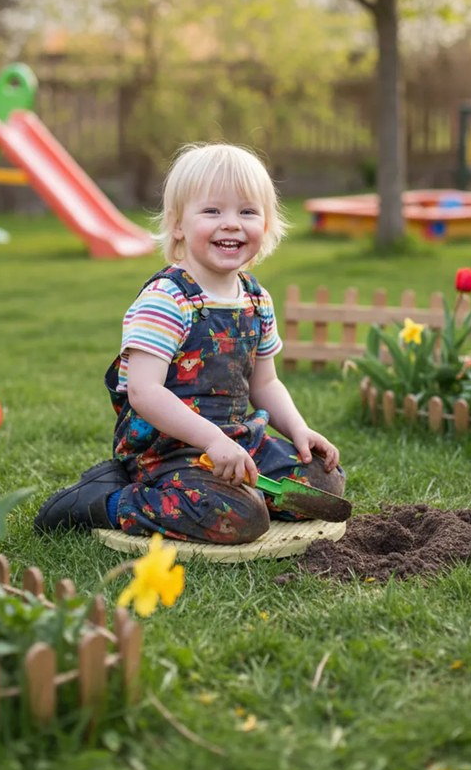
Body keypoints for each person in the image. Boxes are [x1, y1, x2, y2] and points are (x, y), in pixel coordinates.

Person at [35, 142, 345, 544]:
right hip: (167, 450)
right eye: (213, 211)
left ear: (266, 225)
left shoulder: (256, 298)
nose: (231, 223)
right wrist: (212, 440)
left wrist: (299, 429)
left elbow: (265, 384)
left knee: (323, 482)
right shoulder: (168, 299)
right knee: (242, 517)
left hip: (236, 439)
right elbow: (143, 393)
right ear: (178, 224)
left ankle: (234, 489)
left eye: (247, 211)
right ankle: (109, 499)